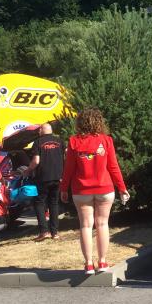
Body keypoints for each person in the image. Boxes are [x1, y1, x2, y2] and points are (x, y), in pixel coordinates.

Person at [60, 109, 129, 275]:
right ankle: (103, 261)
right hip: (105, 188)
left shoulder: (74, 141)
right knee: (102, 224)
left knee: (85, 225)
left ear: (80, 123)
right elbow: (113, 166)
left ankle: (89, 264)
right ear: (99, 122)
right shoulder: (106, 141)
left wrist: (63, 188)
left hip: (81, 190)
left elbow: (69, 168)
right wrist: (122, 188)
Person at [27, 123, 64, 241]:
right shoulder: (60, 141)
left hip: (43, 177)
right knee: (54, 203)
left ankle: (44, 232)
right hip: (58, 177)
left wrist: (28, 170)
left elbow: (36, 161)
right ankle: (55, 233)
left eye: (39, 130)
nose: (38, 132)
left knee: (39, 202)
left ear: (43, 130)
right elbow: (66, 156)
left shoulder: (38, 142)